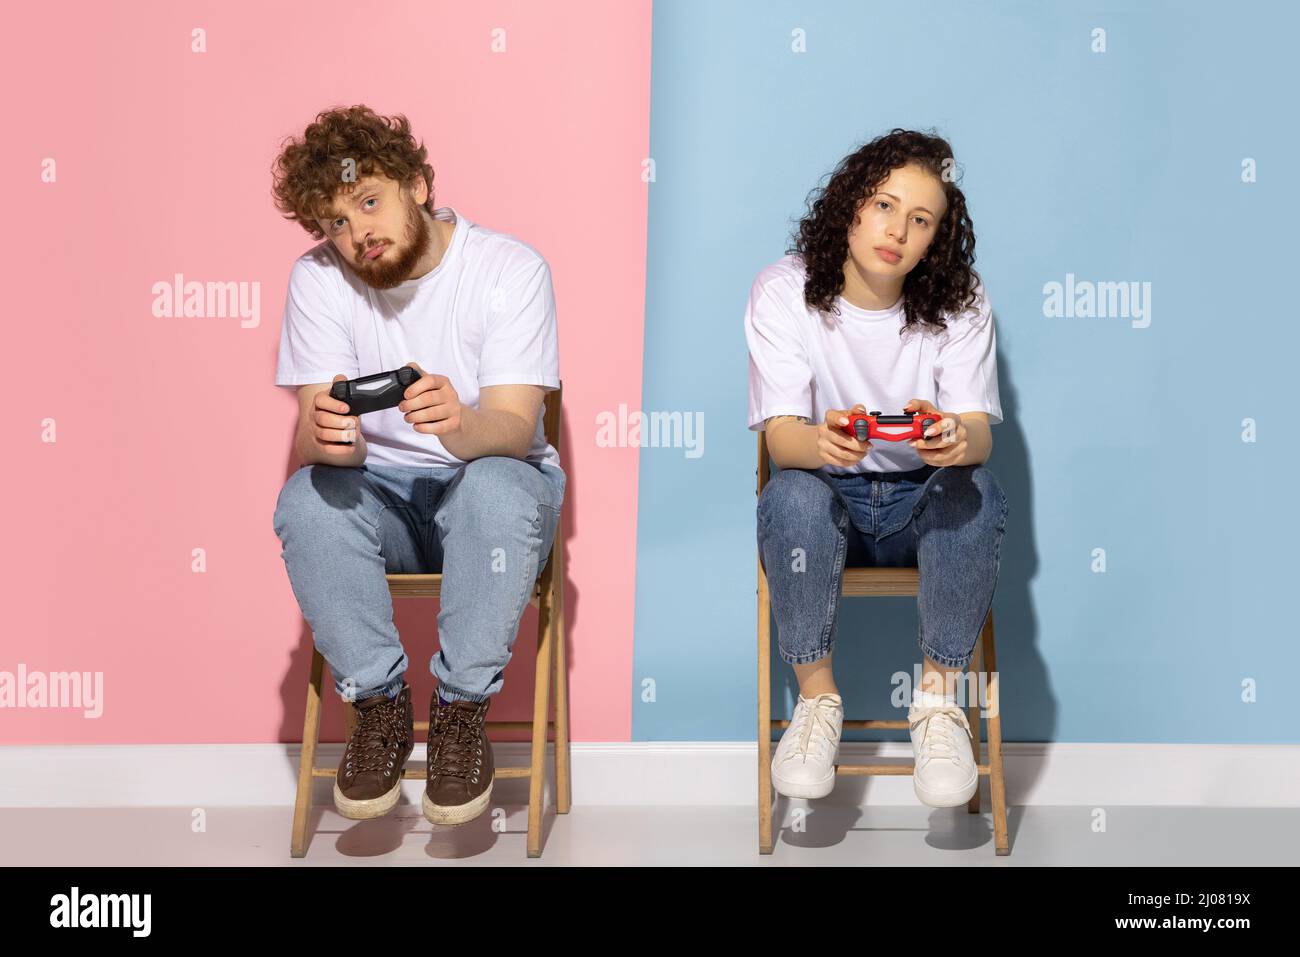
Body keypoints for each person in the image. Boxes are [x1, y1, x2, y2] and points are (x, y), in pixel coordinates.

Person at [269, 105, 564, 827]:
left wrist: (461, 424)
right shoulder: (317, 279)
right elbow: (312, 435)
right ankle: (378, 708)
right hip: (380, 499)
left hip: (489, 484)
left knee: (495, 486)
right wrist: (324, 434)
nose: (357, 234)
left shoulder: (509, 269)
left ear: (419, 185)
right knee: (308, 497)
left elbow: (516, 425)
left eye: (369, 202)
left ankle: (461, 714)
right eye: (335, 222)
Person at [745, 128, 1008, 809]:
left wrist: (952, 437)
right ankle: (817, 700)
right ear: (849, 205)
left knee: (974, 487)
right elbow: (781, 439)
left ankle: (938, 704)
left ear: (936, 239)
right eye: (885, 206)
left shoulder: (961, 297)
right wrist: (823, 442)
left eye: (921, 220)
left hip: (922, 503)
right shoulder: (784, 289)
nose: (898, 231)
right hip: (828, 502)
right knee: (792, 493)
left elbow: (978, 432)